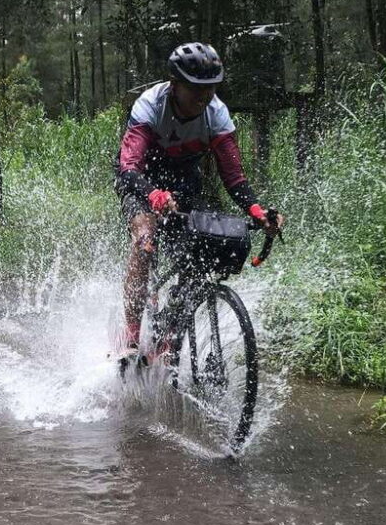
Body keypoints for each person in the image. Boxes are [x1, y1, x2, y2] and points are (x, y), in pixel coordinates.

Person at [114, 41, 283, 359]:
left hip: (183, 182)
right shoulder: (150, 105)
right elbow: (128, 167)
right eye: (195, 90)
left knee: (201, 245)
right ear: (175, 85)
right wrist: (153, 194)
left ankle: (170, 334)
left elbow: (233, 177)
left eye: (211, 89)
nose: (204, 97)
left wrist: (257, 212)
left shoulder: (216, 114)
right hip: (140, 178)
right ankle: (132, 341)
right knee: (145, 241)